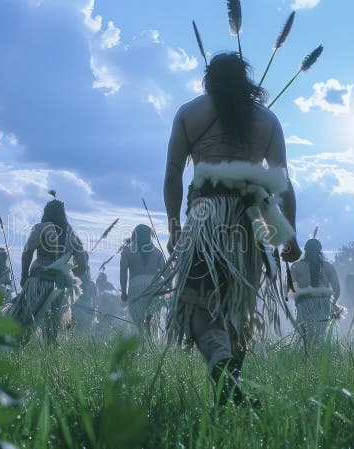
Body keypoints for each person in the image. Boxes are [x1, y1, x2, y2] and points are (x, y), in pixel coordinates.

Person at [144, 52, 300, 405]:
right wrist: (290, 233)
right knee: (237, 307)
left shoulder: (189, 112)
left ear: (208, 79)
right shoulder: (268, 120)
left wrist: (174, 227)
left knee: (195, 303)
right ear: (245, 80)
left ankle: (225, 376)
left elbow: (172, 175)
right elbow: (283, 182)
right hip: (249, 223)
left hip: (207, 216)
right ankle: (230, 390)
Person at [11, 196, 88, 344]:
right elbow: (83, 266)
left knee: (26, 320)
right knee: (53, 326)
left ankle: (19, 349)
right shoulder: (72, 234)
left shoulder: (41, 228)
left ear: (46, 213)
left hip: (38, 282)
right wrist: (67, 274)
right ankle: (50, 354)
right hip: (60, 286)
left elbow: (27, 252)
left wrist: (24, 275)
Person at [289, 239, 341, 346]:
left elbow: (336, 288)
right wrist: (297, 299)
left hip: (321, 304)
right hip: (305, 304)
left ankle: (314, 355)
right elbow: (289, 286)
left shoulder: (327, 266)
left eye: (315, 250)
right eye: (312, 250)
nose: (313, 252)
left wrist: (333, 304)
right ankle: (310, 355)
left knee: (317, 334)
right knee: (309, 334)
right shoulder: (297, 266)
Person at [120, 224, 166, 338]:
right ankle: (151, 343)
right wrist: (168, 287)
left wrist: (123, 292)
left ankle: (141, 342)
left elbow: (123, 272)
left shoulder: (127, 251)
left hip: (135, 287)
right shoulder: (157, 252)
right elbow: (166, 271)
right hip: (154, 286)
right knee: (152, 318)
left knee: (138, 321)